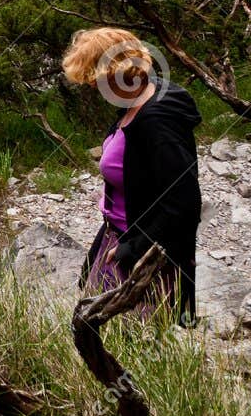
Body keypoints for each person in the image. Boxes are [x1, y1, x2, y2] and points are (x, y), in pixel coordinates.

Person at [62, 28, 201, 323]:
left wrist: (135, 247)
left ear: (116, 73)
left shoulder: (157, 120)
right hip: (119, 238)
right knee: (93, 325)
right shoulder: (135, 103)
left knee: (127, 338)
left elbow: (184, 202)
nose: (93, 88)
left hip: (144, 254)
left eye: (95, 79)